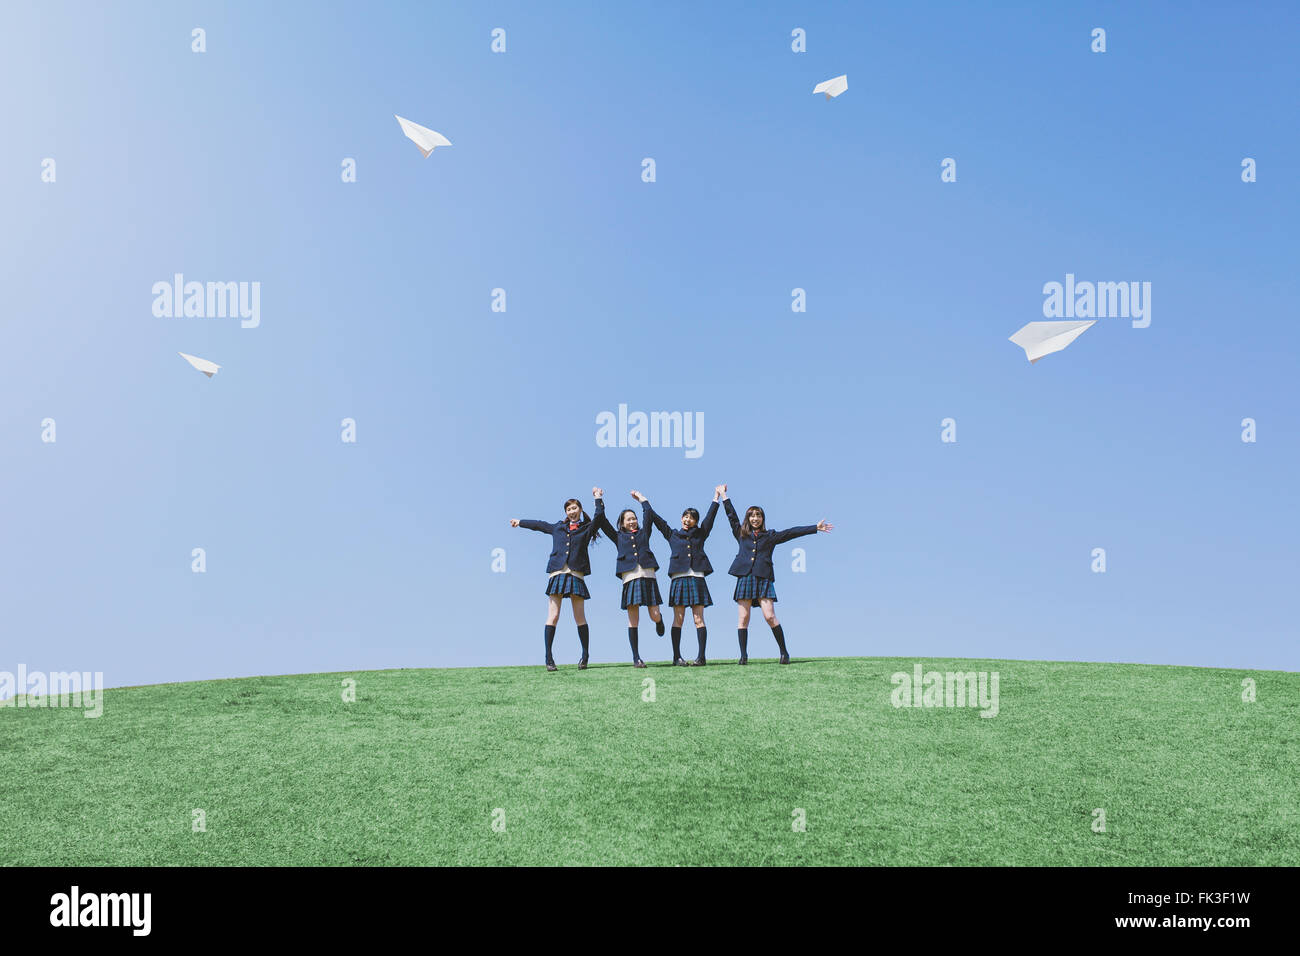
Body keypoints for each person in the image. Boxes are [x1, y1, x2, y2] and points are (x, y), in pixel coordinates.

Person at [722, 485, 832, 664]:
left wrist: (815, 528)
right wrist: (724, 496)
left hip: (763, 578)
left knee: (770, 616)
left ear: (762, 518)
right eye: (752, 516)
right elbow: (731, 516)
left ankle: (784, 653)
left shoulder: (770, 536)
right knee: (743, 617)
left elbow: (790, 533)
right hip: (745, 577)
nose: (755, 518)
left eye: (758, 515)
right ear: (748, 518)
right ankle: (743, 656)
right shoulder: (741, 534)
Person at [510, 487, 606, 671]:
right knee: (553, 616)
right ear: (566, 512)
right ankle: (549, 658)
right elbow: (539, 525)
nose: (572, 511)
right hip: (557, 573)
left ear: (580, 510)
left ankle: (585, 656)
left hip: (576, 573)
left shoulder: (586, 528)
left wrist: (598, 497)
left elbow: (599, 517)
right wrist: (520, 522)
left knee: (579, 616)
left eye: (574, 508)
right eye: (569, 509)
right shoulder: (557, 527)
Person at [648, 485, 723, 665]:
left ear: (696, 522)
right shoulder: (673, 535)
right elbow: (658, 521)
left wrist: (716, 497)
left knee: (698, 618)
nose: (688, 520)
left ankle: (701, 657)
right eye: (685, 517)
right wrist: (645, 502)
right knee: (678, 618)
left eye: (692, 518)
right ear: (682, 518)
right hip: (679, 579)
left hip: (697, 578)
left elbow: (710, 519)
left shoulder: (700, 534)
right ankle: (677, 657)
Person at [597, 491, 666, 668]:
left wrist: (643, 500)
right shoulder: (618, 537)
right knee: (633, 619)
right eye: (628, 519)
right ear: (622, 523)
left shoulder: (644, 533)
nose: (632, 521)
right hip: (630, 578)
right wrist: (598, 499)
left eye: (634, 518)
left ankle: (659, 621)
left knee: (654, 615)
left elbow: (648, 515)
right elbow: (602, 521)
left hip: (648, 576)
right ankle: (636, 658)